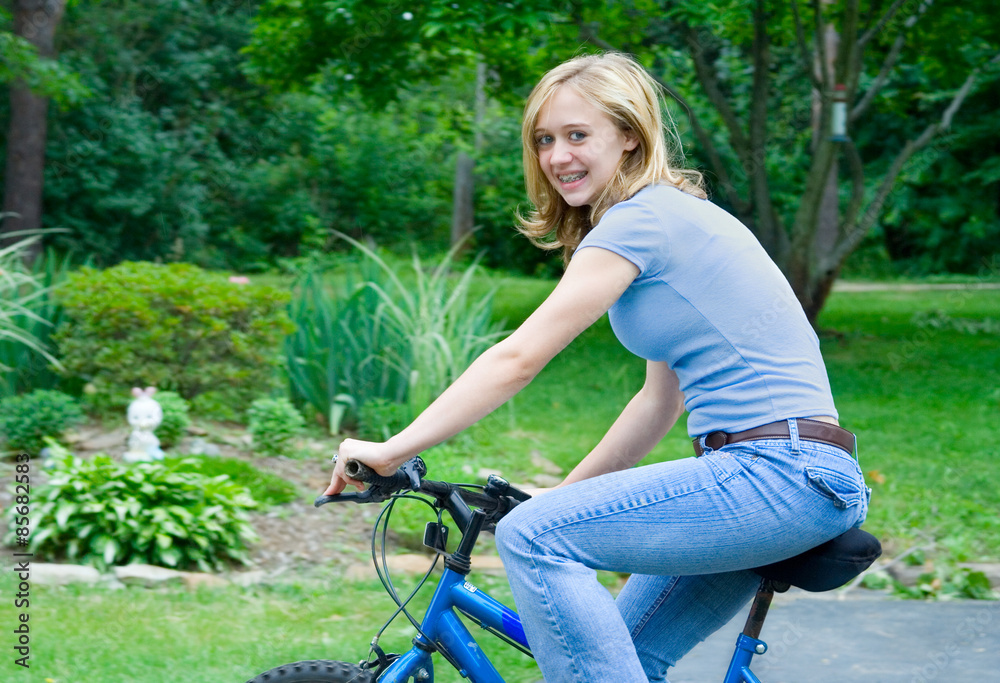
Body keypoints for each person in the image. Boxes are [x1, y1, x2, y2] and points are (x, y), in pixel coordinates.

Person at [325, 52, 871, 683]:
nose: (558, 157)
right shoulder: (664, 220)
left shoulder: (643, 220)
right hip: (781, 478)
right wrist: (561, 495)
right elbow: (656, 402)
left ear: (631, 136)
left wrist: (392, 449)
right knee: (625, 657)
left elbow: (518, 358)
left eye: (578, 135)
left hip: (777, 474)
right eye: (544, 140)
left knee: (533, 538)